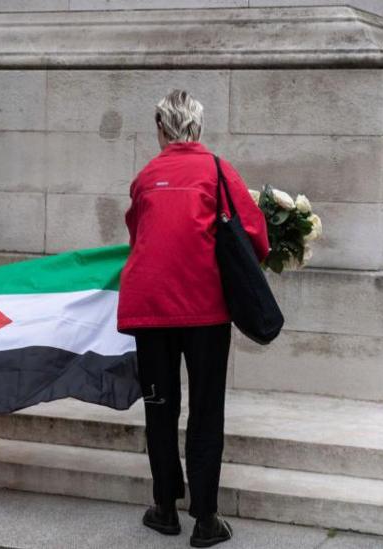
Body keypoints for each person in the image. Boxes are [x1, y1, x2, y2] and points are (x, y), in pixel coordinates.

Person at [117, 90, 269, 548]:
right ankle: (205, 519)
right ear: (198, 128)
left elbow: (139, 235)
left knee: (160, 408)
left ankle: (165, 508)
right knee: (206, 410)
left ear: (162, 130)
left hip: (148, 309)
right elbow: (255, 237)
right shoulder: (218, 171)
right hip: (203, 311)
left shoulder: (145, 177)